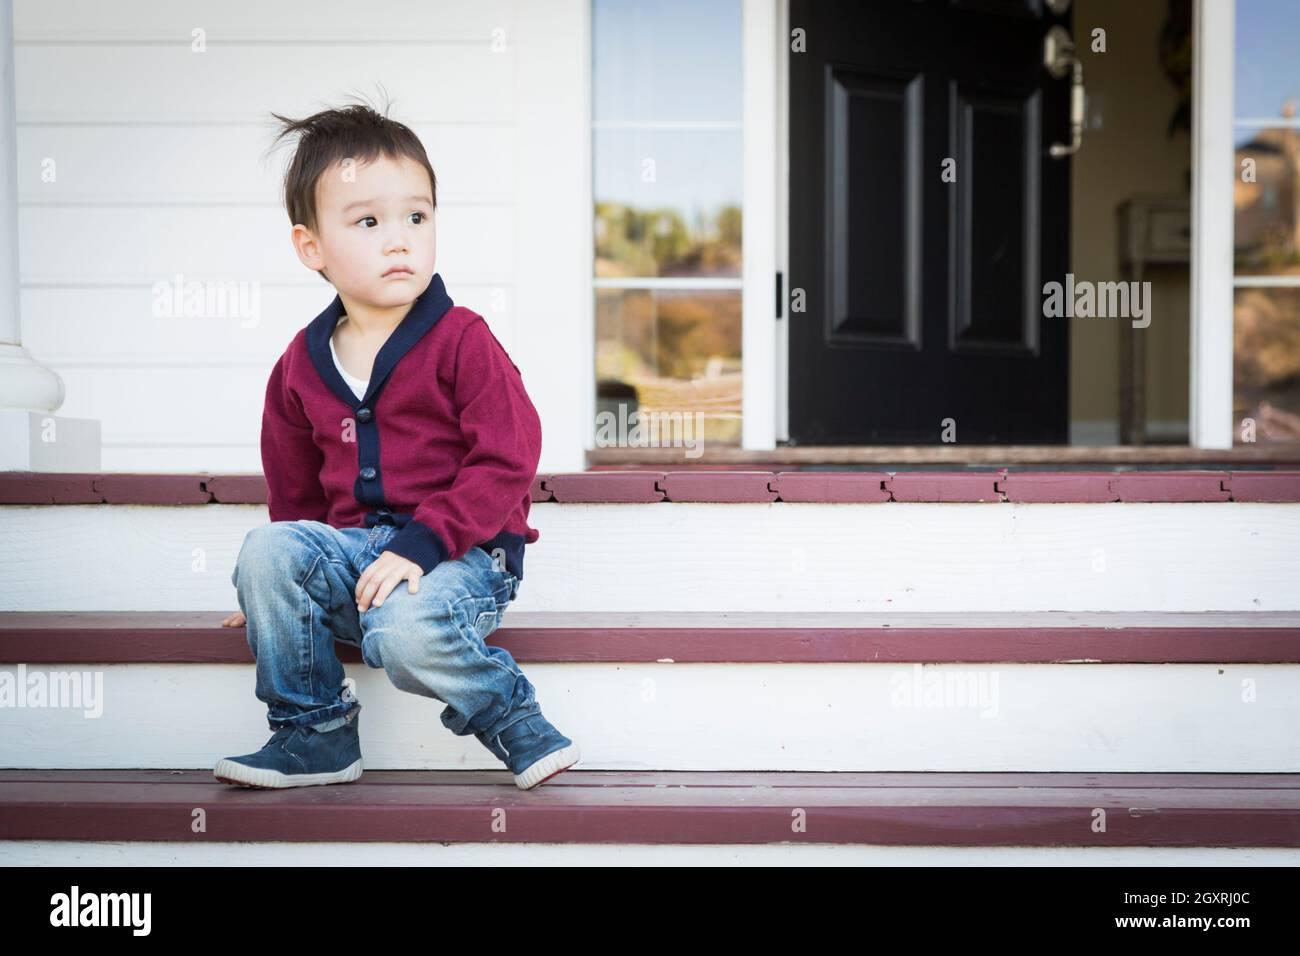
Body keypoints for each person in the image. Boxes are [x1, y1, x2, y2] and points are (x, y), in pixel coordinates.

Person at [215, 99, 578, 791]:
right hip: (358, 559)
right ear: (311, 247)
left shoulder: (462, 340)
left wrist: (423, 542)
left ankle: (513, 715)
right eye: (368, 222)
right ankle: (313, 735)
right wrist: (276, 590)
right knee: (267, 552)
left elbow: (507, 457)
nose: (399, 239)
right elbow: (295, 498)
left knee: (403, 631)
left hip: (464, 555)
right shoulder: (300, 362)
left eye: (417, 217)